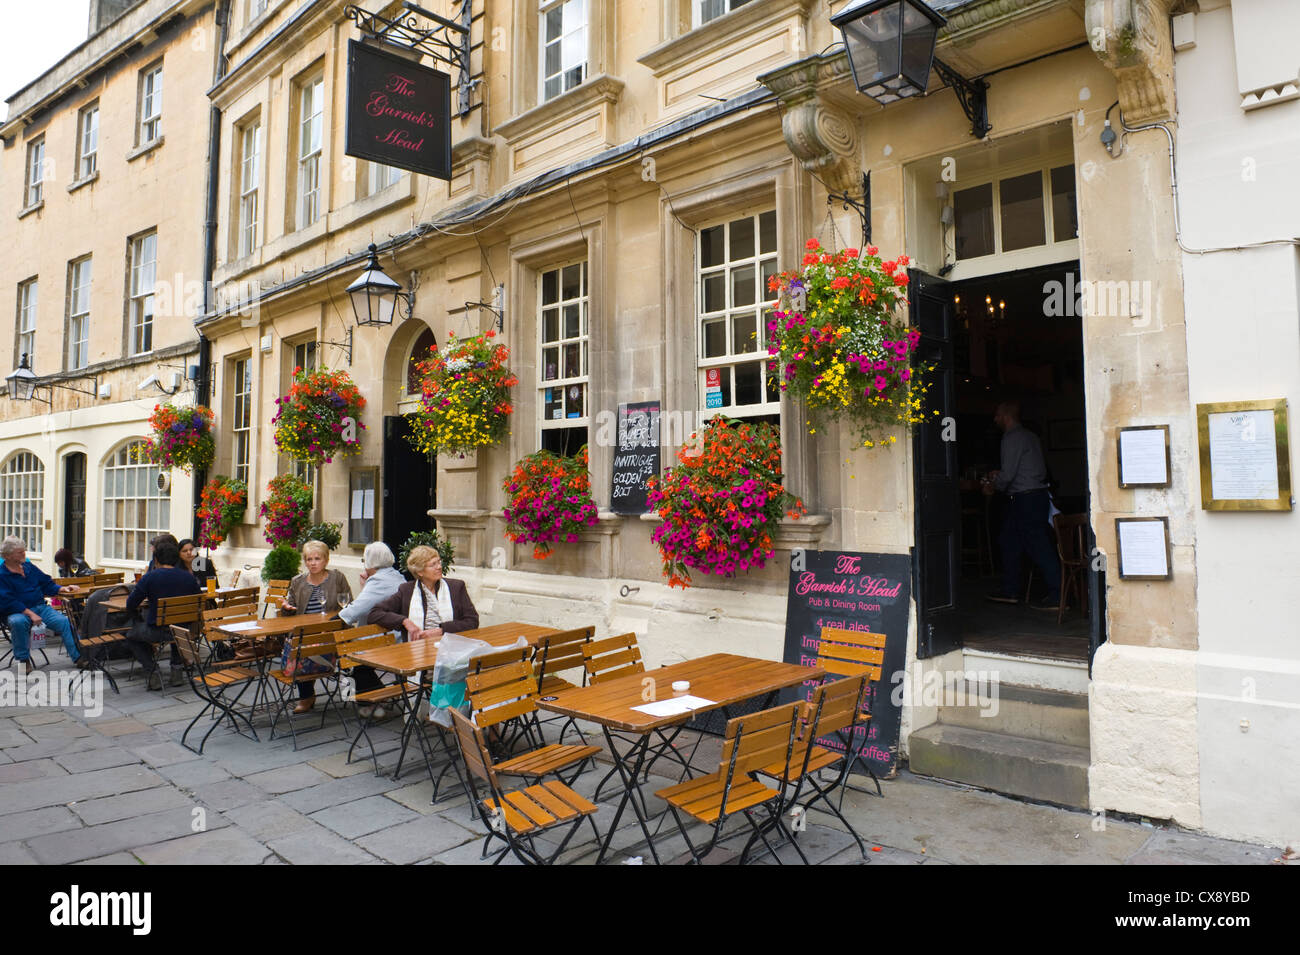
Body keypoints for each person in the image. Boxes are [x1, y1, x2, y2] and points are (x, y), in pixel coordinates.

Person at [983, 400, 1062, 610]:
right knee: (1010, 541)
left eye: (998, 415)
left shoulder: (1011, 438)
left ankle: (1058, 594)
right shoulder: (1030, 436)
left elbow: (1008, 476)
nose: (995, 419)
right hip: (1034, 495)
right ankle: (1011, 590)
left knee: (1037, 545)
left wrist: (994, 483)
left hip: (1025, 498)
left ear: (1006, 416)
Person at [278, 540, 353, 714]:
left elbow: (349, 606)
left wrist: (333, 624)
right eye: (309, 559)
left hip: (331, 634)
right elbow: (289, 614)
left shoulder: (337, 578)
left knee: (302, 650)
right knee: (300, 646)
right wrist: (286, 609)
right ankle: (306, 695)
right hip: (305, 635)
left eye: (317, 559)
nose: (312, 563)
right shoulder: (297, 582)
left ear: (326, 560)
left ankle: (306, 697)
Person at [0, 536, 87, 673]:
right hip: (17, 612)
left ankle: (79, 657)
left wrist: (61, 588)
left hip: (40, 607)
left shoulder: (29, 567)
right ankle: (24, 661)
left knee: (63, 621)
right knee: (18, 622)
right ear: (7, 556)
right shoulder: (2, 574)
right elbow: (7, 601)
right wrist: (30, 613)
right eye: (20, 552)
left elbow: (45, 582)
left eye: (24, 551)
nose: (24, 554)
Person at [124, 540, 203, 690]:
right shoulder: (189, 578)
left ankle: (152, 670)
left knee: (131, 636)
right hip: (184, 632)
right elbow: (198, 601)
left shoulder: (150, 577)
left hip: (157, 632)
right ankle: (177, 671)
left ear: (157, 559)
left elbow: (131, 604)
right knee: (176, 626)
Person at [339, 542, 405, 716]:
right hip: (393, 636)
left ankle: (368, 701)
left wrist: (335, 619)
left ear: (370, 562)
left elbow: (356, 609)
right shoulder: (395, 575)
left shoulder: (379, 580)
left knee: (347, 656)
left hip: (386, 639)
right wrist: (365, 585)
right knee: (351, 653)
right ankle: (372, 696)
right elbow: (370, 602)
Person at [367, 545, 479, 640]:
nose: (439, 567)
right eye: (433, 565)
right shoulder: (407, 591)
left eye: (439, 562)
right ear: (420, 572)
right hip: (417, 650)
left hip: (450, 648)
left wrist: (442, 630)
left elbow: (472, 622)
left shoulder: (456, 587)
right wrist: (405, 621)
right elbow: (374, 613)